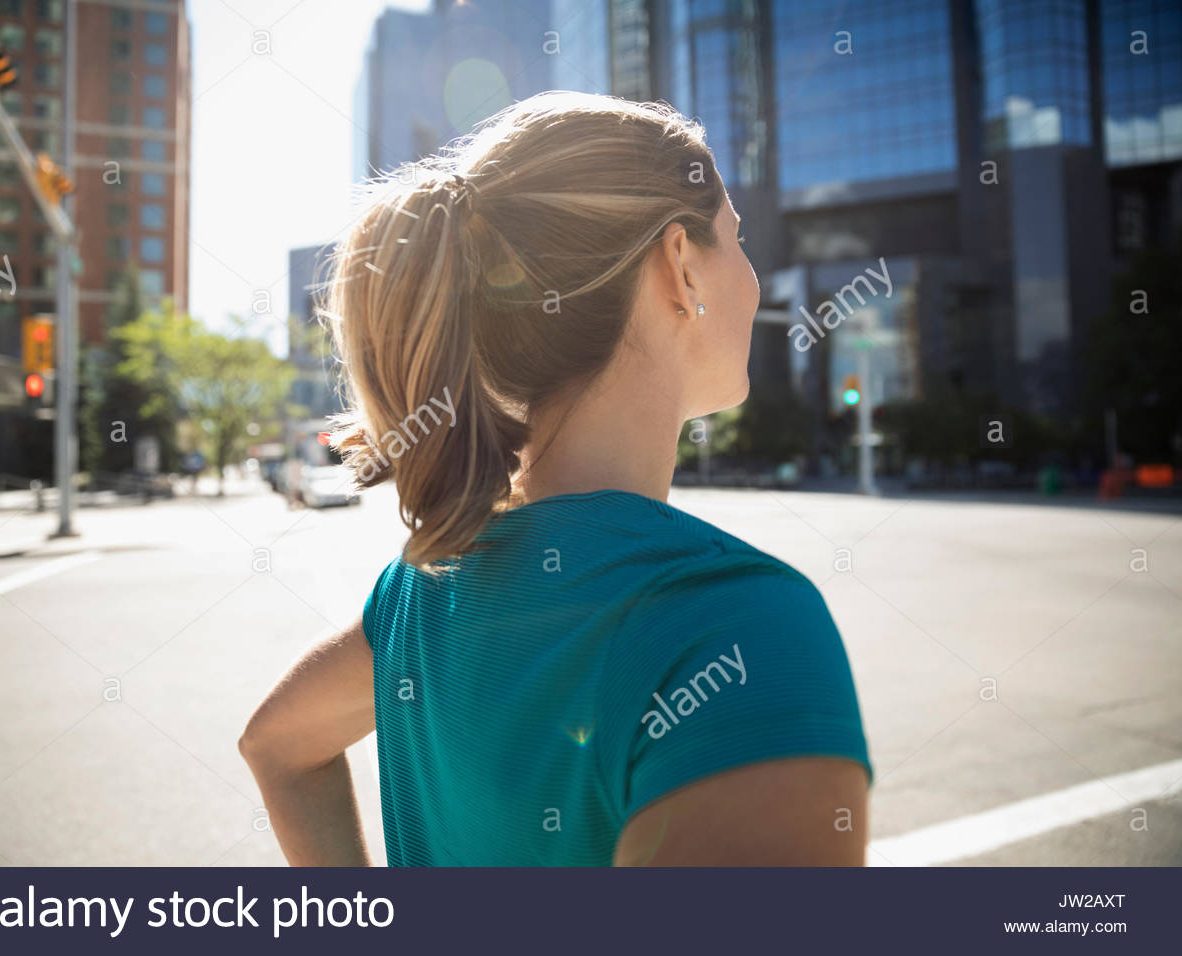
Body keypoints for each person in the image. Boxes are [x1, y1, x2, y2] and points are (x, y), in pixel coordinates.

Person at [239, 92, 873, 866]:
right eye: (736, 241)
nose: (755, 279)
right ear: (680, 265)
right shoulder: (739, 624)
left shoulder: (418, 596)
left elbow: (276, 744)